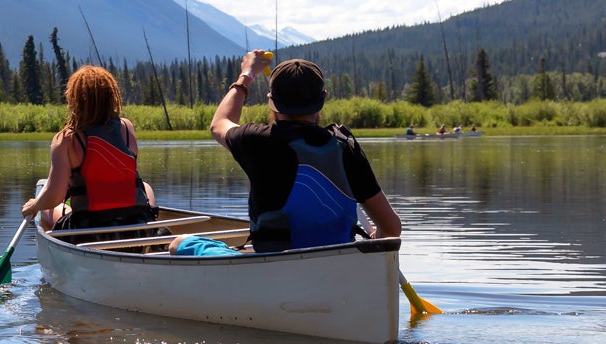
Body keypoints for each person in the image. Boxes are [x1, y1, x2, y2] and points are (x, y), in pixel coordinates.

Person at [173, 52, 400, 255]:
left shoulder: (256, 140)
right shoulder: (345, 145)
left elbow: (220, 123)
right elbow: (391, 228)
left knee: (179, 243)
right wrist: (375, 241)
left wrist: (246, 76)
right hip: (336, 266)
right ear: (323, 98)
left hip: (272, 268)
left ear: (271, 101)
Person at [22, 64, 156, 232]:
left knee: (48, 211)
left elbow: (54, 196)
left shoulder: (66, 139)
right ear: (111, 97)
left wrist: (35, 205)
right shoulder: (126, 128)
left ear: (75, 100)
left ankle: (59, 239)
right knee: (146, 187)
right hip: (135, 221)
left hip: (90, 227)